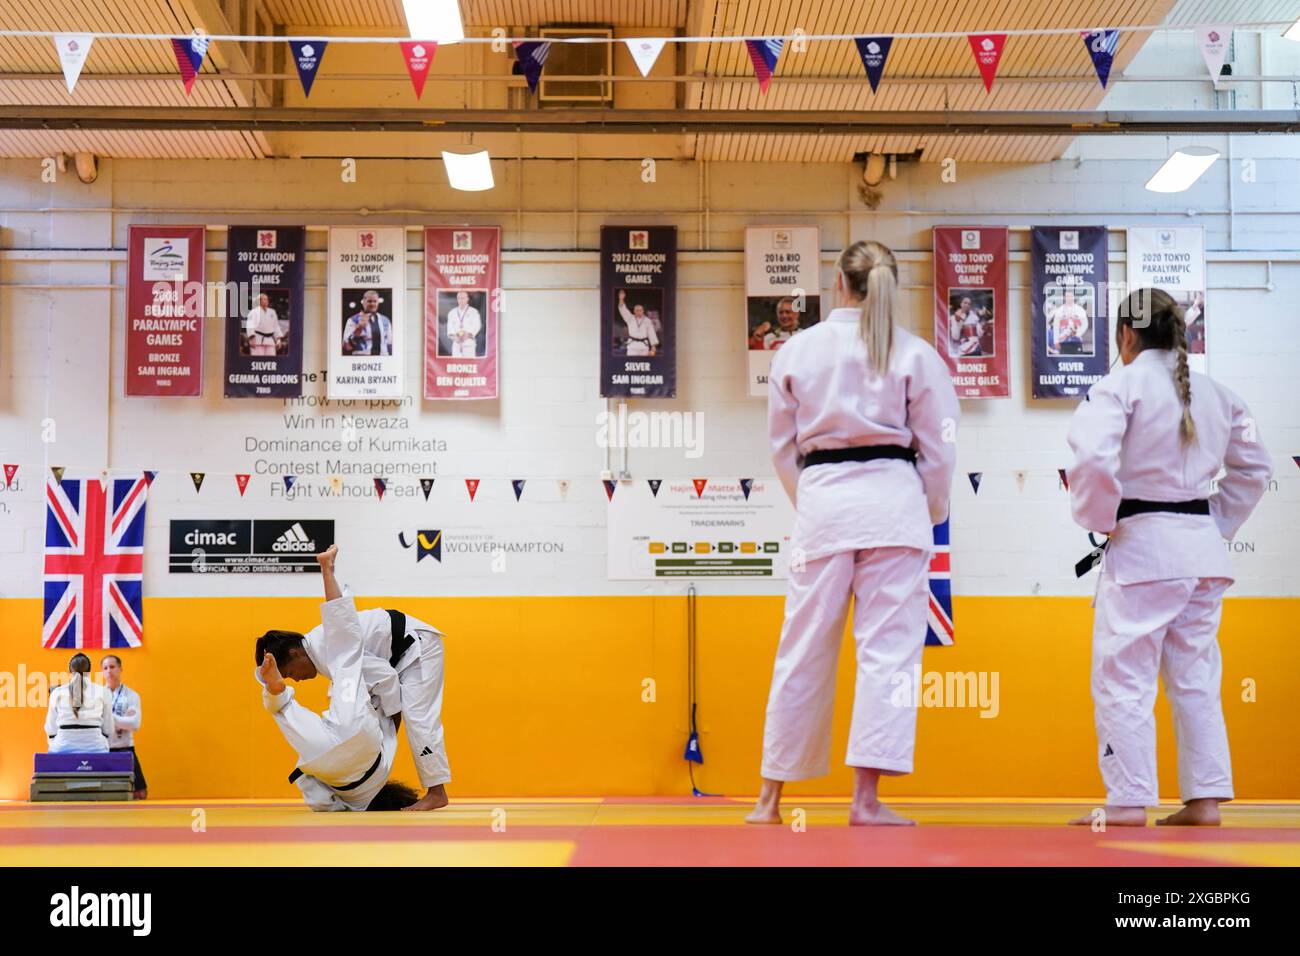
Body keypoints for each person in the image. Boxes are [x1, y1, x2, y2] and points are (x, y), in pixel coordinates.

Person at [747, 240, 959, 827]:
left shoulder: (797, 351)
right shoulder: (915, 354)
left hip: (824, 504)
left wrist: (811, 502)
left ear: (837, 283)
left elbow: (782, 449)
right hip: (895, 504)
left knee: (802, 649)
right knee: (887, 656)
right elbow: (940, 446)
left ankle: (769, 800)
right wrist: (930, 508)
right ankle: (865, 801)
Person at [1066, 288, 1272, 827]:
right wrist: (1214, 522)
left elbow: (1090, 459)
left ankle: (1128, 803)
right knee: (1196, 675)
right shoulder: (1219, 395)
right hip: (1200, 551)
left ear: (1125, 335)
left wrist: (1102, 519)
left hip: (1143, 549)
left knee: (1124, 677)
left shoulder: (1115, 389)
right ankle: (1204, 800)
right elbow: (1255, 469)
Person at [255, 559, 451, 812]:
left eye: (291, 673)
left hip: (418, 647)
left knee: (418, 717)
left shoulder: (327, 651)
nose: (297, 680)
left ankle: (437, 793)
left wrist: (390, 728)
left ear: (295, 653)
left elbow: (386, 677)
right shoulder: (321, 648)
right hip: (395, 655)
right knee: (372, 708)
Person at [45, 653, 114, 754]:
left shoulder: (57, 693)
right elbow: (108, 729)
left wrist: (57, 743)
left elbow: (50, 729)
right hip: (96, 748)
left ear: (70, 671)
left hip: (61, 748)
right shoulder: (104, 692)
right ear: (89, 671)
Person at [102, 655, 147, 800]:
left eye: (112, 667)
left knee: (139, 794)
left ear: (120, 669)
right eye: (105, 668)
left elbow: (135, 724)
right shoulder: (98, 696)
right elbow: (96, 723)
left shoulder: (131, 695)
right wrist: (123, 720)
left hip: (126, 749)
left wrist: (109, 717)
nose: (109, 671)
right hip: (104, 751)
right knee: (106, 795)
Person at [342, 290, 393, 356]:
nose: (372, 304)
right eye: (369, 301)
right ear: (363, 302)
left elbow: (389, 344)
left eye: (375, 301)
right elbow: (346, 347)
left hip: (382, 359)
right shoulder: (353, 320)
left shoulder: (385, 320)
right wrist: (359, 328)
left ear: (378, 302)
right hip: (362, 360)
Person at [616, 289, 659, 357]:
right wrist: (621, 299)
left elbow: (651, 334)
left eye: (640, 310)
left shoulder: (647, 321)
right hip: (632, 346)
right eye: (637, 310)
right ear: (634, 311)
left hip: (644, 347)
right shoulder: (630, 318)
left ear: (643, 311)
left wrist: (653, 348)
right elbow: (623, 310)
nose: (638, 311)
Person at [1048, 288, 1089, 356]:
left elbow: (1085, 324)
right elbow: (1056, 327)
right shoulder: (1059, 310)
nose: (1069, 298)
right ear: (1064, 297)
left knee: (1078, 359)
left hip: (1076, 340)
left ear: (1073, 297)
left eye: (1070, 296)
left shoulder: (1080, 310)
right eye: (1067, 296)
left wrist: (1077, 333)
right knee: (1064, 359)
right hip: (1063, 341)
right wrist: (1056, 341)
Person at [445, 290, 482, 357]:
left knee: (469, 364)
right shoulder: (452, 312)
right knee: (456, 364)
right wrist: (455, 337)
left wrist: (467, 334)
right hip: (456, 343)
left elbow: (477, 326)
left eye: (463, 298)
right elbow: (450, 328)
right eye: (459, 298)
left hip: (468, 342)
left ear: (467, 299)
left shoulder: (473, 312)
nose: (461, 300)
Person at [245, 292, 282, 356]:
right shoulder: (253, 312)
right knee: (257, 361)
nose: (267, 301)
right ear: (259, 301)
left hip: (270, 341)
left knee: (271, 361)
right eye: (264, 299)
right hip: (257, 340)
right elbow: (250, 326)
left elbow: (276, 326)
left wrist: (278, 339)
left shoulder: (272, 312)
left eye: (267, 299)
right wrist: (252, 338)